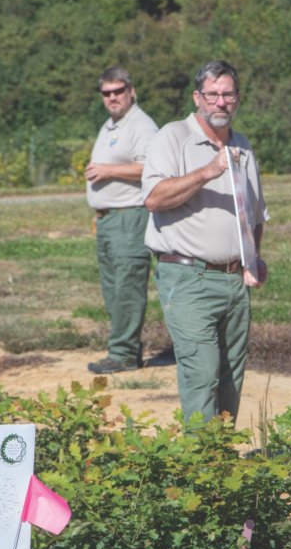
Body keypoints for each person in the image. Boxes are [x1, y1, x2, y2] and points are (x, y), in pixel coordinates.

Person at [142, 60, 268, 424]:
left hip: (235, 280)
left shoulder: (242, 146)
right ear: (197, 98)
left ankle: (222, 454)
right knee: (202, 372)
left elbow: (256, 214)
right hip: (188, 277)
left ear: (238, 98)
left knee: (231, 377)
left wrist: (254, 258)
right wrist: (208, 171)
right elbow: (154, 198)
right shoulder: (172, 137)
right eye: (212, 94)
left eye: (228, 94)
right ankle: (200, 456)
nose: (220, 102)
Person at [85, 66, 159, 375]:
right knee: (113, 289)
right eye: (107, 93)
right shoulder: (111, 126)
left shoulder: (141, 125)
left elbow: (153, 167)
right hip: (108, 220)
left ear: (132, 91)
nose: (112, 97)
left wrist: (109, 171)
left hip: (130, 217)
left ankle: (123, 354)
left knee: (127, 287)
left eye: (118, 91)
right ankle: (125, 348)